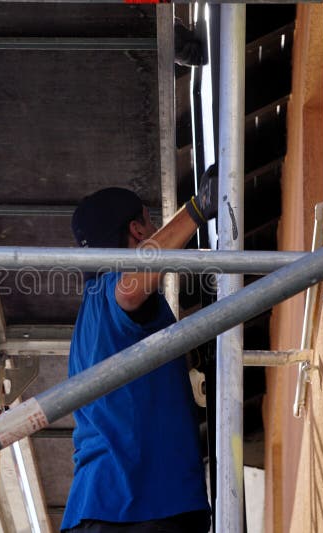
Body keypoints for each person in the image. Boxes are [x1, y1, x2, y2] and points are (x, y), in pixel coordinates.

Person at [61, 168, 219, 533]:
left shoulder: (87, 322)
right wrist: (197, 209)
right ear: (137, 231)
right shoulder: (110, 294)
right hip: (136, 505)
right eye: (151, 224)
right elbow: (131, 290)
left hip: (103, 507)